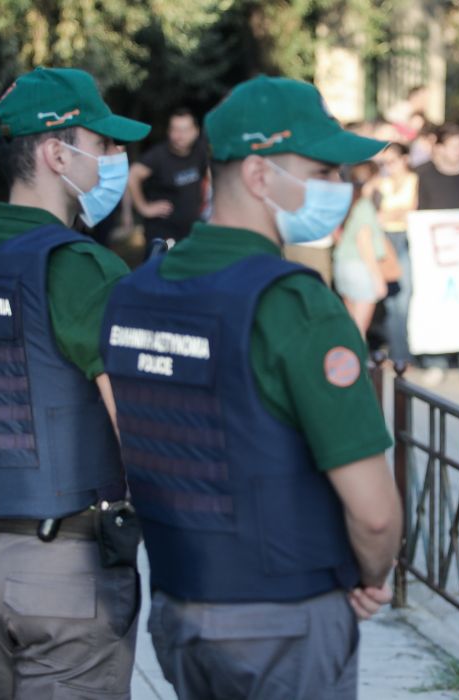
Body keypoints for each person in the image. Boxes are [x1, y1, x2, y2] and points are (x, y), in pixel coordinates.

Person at [102, 74, 402, 699]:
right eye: (323, 170)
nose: (339, 188)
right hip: (285, 619)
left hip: (181, 610)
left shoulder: (134, 292)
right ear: (261, 177)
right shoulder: (297, 306)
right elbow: (374, 515)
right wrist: (373, 576)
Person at [0, 66, 146, 698]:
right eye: (102, 145)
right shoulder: (81, 269)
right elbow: (140, 427)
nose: (112, 161)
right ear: (54, 152)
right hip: (62, 571)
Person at [414, 125, 459, 388]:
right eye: (453, 146)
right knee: (436, 305)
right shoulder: (423, 174)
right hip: (434, 255)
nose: (458, 152)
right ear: (439, 147)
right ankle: (437, 361)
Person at [127, 107, 207, 248]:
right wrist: (144, 208)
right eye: (175, 130)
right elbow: (133, 175)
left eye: (185, 130)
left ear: (196, 132)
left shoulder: (199, 151)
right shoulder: (158, 156)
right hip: (163, 233)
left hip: (191, 232)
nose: (179, 136)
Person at [333, 161, 388, 336]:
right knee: (358, 332)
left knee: (351, 327)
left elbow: (337, 234)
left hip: (342, 264)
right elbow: (364, 242)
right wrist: (377, 278)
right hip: (360, 267)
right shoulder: (364, 205)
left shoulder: (349, 202)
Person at [374, 142, 416, 365]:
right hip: (385, 241)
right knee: (391, 301)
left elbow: (412, 211)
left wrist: (391, 215)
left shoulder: (415, 181)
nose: (387, 167)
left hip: (408, 241)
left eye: (391, 161)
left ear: (404, 160)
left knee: (406, 298)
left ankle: (407, 353)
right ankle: (399, 354)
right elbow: (375, 213)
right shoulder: (381, 184)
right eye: (383, 163)